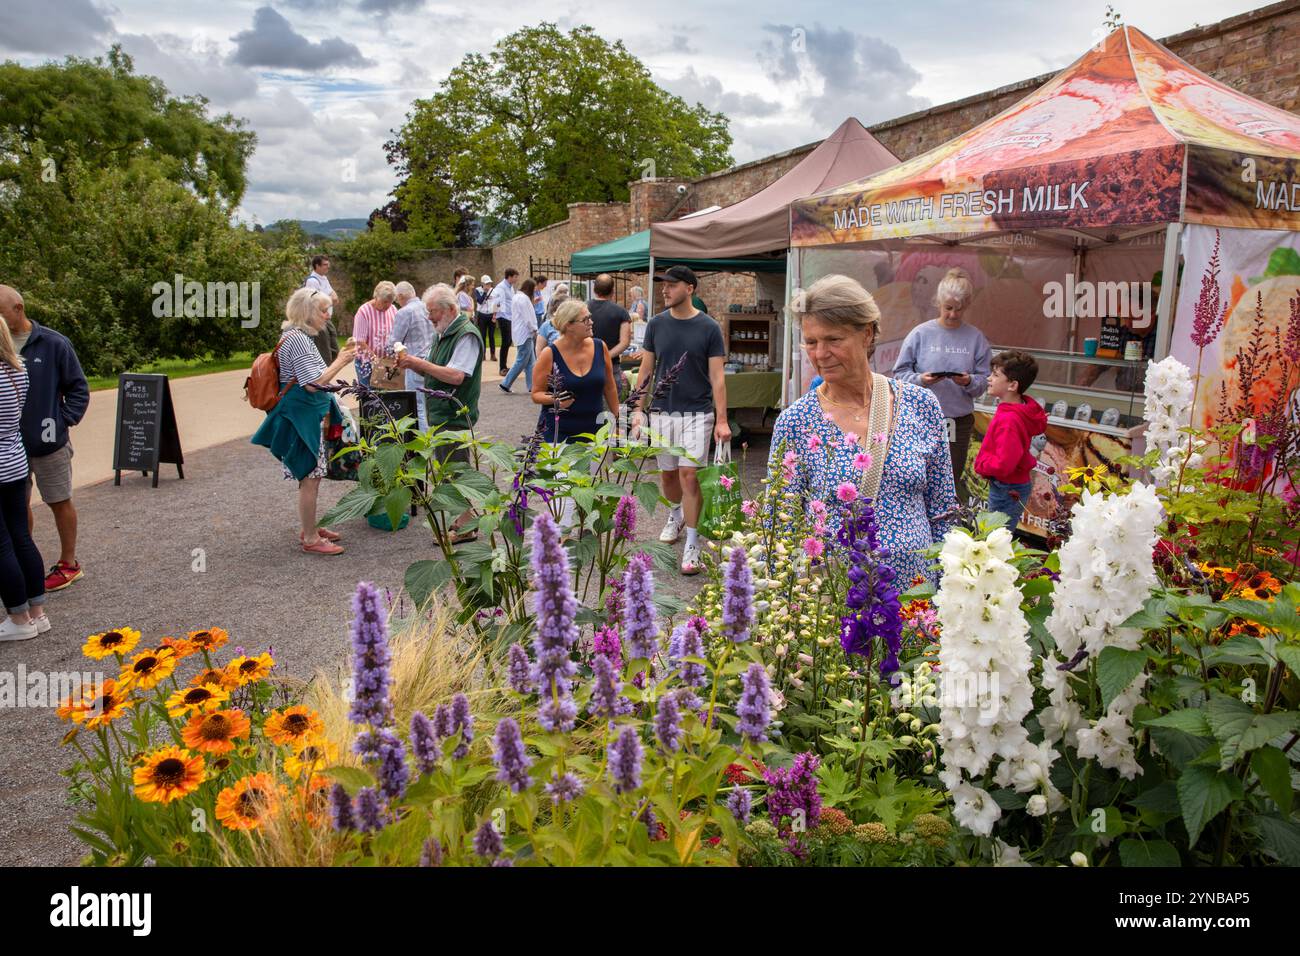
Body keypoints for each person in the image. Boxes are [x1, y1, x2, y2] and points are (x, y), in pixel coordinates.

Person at [769, 274, 957, 586]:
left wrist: (948, 591)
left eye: (833, 340)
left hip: (914, 600)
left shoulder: (920, 405)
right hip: (837, 604)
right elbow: (780, 526)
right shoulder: (796, 422)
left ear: (867, 334)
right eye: (811, 342)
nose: (819, 354)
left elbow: (943, 510)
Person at [631, 265, 729, 575]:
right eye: (663, 285)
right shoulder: (656, 325)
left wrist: (722, 420)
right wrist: (636, 408)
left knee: (689, 475)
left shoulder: (709, 328)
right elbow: (645, 371)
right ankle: (676, 514)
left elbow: (718, 377)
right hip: (662, 412)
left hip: (698, 413)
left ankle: (692, 543)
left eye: (672, 285)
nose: (664, 289)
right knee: (668, 478)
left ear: (690, 288)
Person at [251, 289, 356, 555]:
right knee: (310, 475)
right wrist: (342, 360)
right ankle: (310, 537)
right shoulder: (297, 339)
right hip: (300, 417)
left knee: (311, 474)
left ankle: (311, 526)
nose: (327, 315)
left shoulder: (297, 337)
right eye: (323, 310)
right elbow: (313, 384)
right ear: (307, 313)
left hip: (303, 415)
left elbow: (314, 377)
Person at [1, 285, 90, 592]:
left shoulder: (53, 343)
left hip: (50, 443)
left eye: (0, 313)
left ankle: (69, 563)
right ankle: (20, 565)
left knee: (59, 500)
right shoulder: (2, 346)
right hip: (10, 446)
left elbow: (78, 388)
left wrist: (62, 420)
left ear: (18, 309)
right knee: (17, 506)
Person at [892, 268, 991, 502]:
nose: (953, 314)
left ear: (966, 306)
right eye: (948, 308)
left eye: (959, 309)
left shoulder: (975, 338)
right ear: (938, 303)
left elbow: (983, 381)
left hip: (957, 419)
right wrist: (920, 381)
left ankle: (943, 526)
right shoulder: (920, 334)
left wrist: (968, 381)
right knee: (916, 475)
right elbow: (899, 374)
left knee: (950, 478)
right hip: (921, 417)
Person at [395, 284, 483, 544]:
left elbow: (456, 376)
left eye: (432, 311)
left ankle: (467, 527)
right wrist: (414, 363)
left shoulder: (466, 334)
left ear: (451, 309)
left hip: (454, 415)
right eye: (428, 311)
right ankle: (464, 519)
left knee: (456, 472)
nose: (429, 317)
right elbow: (438, 369)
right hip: (441, 415)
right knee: (448, 471)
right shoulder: (443, 332)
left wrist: (417, 363)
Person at [0, 318, 49, 641]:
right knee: (21, 536)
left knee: (2, 543)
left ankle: (18, 618)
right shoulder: (17, 371)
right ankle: (37, 612)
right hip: (15, 462)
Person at [974, 350, 1046, 530]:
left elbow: (1004, 464)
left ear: (1012, 385)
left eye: (996, 375)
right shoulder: (1018, 409)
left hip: (1006, 487)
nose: (989, 378)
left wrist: (982, 465)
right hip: (1013, 484)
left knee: (996, 536)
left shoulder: (1009, 420)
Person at [532, 298, 620, 443]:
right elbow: (536, 394)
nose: (591, 322)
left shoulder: (600, 347)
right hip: (558, 434)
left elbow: (610, 388)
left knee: (595, 466)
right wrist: (556, 400)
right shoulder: (549, 354)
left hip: (594, 433)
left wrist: (619, 420)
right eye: (585, 319)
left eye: (590, 318)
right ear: (568, 325)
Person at [388, 281, 434, 431]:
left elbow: (394, 341)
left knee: (417, 406)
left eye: (397, 299)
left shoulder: (405, 312)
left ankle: (424, 445)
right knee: (430, 405)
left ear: (401, 296)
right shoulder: (427, 307)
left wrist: (387, 349)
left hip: (414, 363)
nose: (397, 302)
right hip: (432, 361)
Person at [351, 281, 398, 387]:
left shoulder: (393, 309)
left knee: (386, 396)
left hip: (386, 361)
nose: (388, 305)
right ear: (376, 296)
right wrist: (376, 361)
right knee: (368, 396)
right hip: (366, 362)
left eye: (390, 302)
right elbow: (360, 341)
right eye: (385, 302)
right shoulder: (363, 312)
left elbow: (395, 335)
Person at [500, 278, 539, 393]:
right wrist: (535, 330)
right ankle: (505, 383)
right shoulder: (524, 299)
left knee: (530, 363)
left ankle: (532, 386)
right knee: (522, 361)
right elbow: (528, 318)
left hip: (522, 333)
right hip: (525, 333)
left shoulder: (517, 297)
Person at [304, 255, 340, 364]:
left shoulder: (323, 278)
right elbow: (314, 303)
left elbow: (334, 295)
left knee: (334, 349)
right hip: (318, 320)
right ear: (316, 266)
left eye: (328, 265)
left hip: (326, 319)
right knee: (324, 351)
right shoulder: (313, 281)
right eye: (325, 265)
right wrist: (330, 300)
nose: (327, 267)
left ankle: (327, 373)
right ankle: (323, 376)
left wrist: (330, 299)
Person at [588, 273, 632, 363]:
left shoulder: (582, 309)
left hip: (585, 362)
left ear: (594, 290)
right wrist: (606, 356)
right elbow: (625, 342)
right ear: (612, 291)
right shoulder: (621, 312)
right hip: (611, 363)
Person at [490, 268, 519, 375]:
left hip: (510, 317)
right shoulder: (501, 287)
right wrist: (494, 315)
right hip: (503, 317)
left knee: (508, 341)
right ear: (510, 276)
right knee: (506, 341)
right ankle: (502, 368)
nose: (516, 279)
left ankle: (504, 366)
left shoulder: (510, 287)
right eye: (515, 277)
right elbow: (496, 302)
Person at [474, 275, 497, 363]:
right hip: (482, 315)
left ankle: (493, 354)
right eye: (487, 283)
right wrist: (484, 292)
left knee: (491, 336)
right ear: (482, 284)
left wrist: (495, 315)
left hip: (491, 315)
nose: (488, 285)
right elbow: (479, 301)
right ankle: (483, 354)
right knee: (482, 335)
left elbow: (496, 303)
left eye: (489, 283)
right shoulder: (478, 290)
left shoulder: (494, 292)